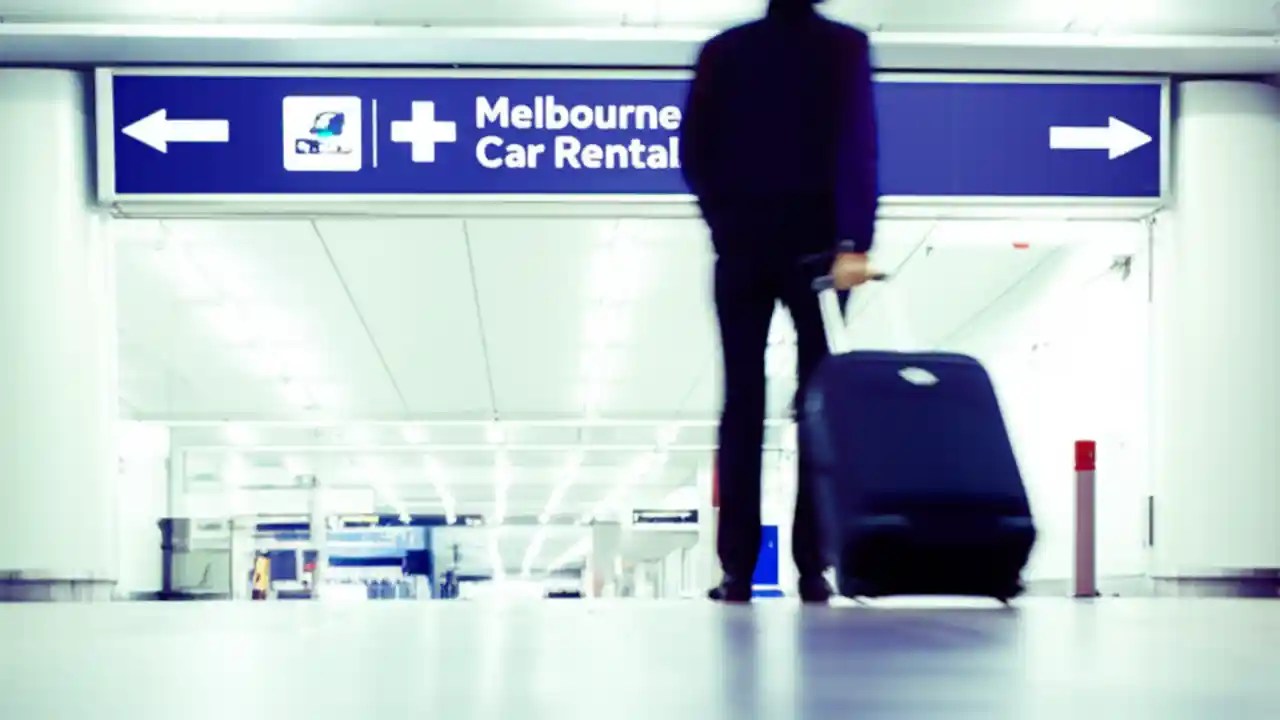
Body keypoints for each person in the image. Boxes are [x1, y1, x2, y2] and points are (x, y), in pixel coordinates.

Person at [679, 0, 881, 603]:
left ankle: (738, 569)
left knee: (741, 401)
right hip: (820, 253)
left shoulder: (725, 50)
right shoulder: (845, 48)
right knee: (817, 405)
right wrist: (852, 243)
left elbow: (694, 150)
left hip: (743, 249)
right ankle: (812, 565)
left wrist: (724, 222)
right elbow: (858, 148)